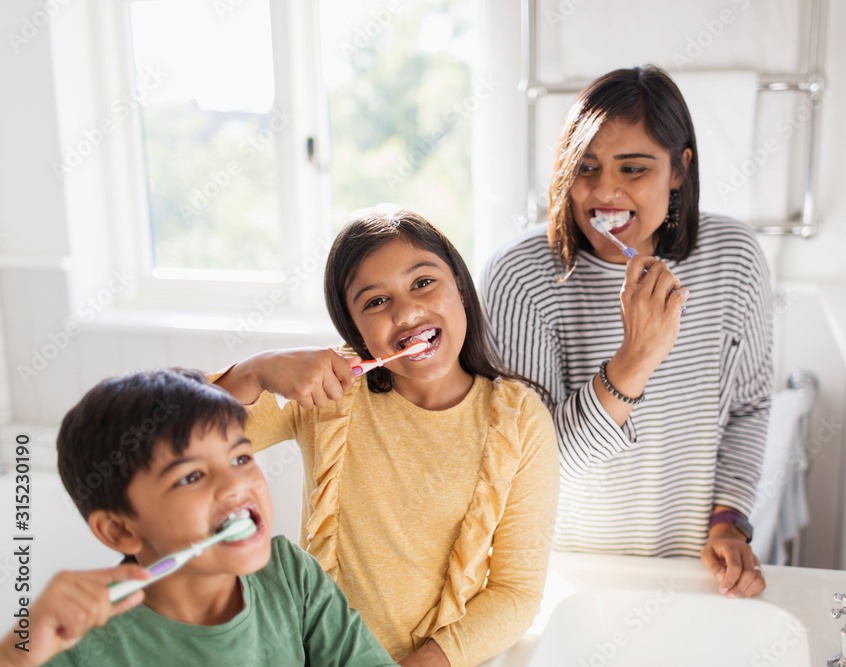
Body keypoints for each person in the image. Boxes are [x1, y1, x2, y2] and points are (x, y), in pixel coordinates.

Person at [212, 204, 559, 667]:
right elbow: (177, 437)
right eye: (376, 301)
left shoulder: (519, 420)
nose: (408, 311)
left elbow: (516, 593)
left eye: (422, 283)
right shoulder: (330, 392)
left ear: (459, 285)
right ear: (354, 328)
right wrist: (255, 371)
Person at [482, 65, 771, 599]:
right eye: (585, 168)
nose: (604, 191)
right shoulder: (521, 277)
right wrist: (634, 361)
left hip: (694, 573)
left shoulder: (735, 259)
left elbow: (749, 407)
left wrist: (729, 518)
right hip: (562, 578)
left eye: (633, 169)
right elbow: (531, 468)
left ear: (679, 170)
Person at [0, 368, 395, 667]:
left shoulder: (290, 575)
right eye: (191, 476)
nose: (235, 485)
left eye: (241, 457)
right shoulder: (77, 643)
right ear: (120, 529)